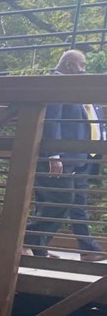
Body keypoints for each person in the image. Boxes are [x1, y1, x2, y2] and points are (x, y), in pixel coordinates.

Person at [23, 50, 107, 261]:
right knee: (62, 200)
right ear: (70, 65)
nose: (85, 69)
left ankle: (84, 250)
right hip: (62, 157)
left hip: (80, 158)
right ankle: (27, 240)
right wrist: (54, 155)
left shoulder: (75, 87)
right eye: (83, 65)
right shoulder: (57, 83)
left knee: (77, 204)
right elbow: (52, 119)